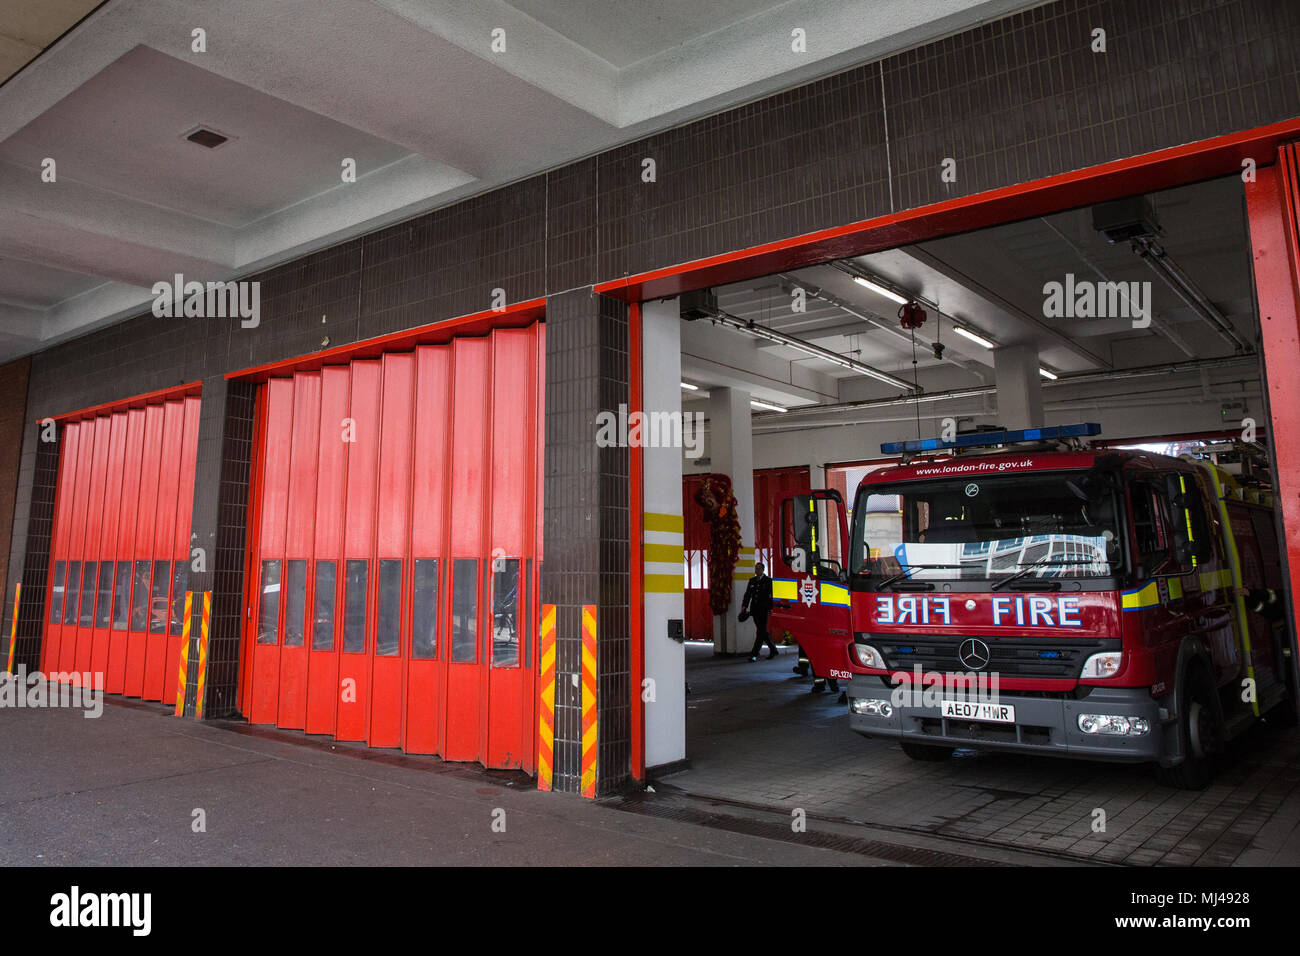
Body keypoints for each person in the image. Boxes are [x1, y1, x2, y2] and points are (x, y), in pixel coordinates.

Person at [742, 563, 778, 661]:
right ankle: (773, 649)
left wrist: (771, 608)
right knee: (762, 631)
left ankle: (754, 654)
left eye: (758, 569)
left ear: (763, 570)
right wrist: (744, 606)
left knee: (760, 632)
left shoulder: (768, 581)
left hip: (764, 609)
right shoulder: (752, 581)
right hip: (755, 610)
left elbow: (772, 596)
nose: (756, 570)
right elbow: (748, 594)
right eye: (756, 568)